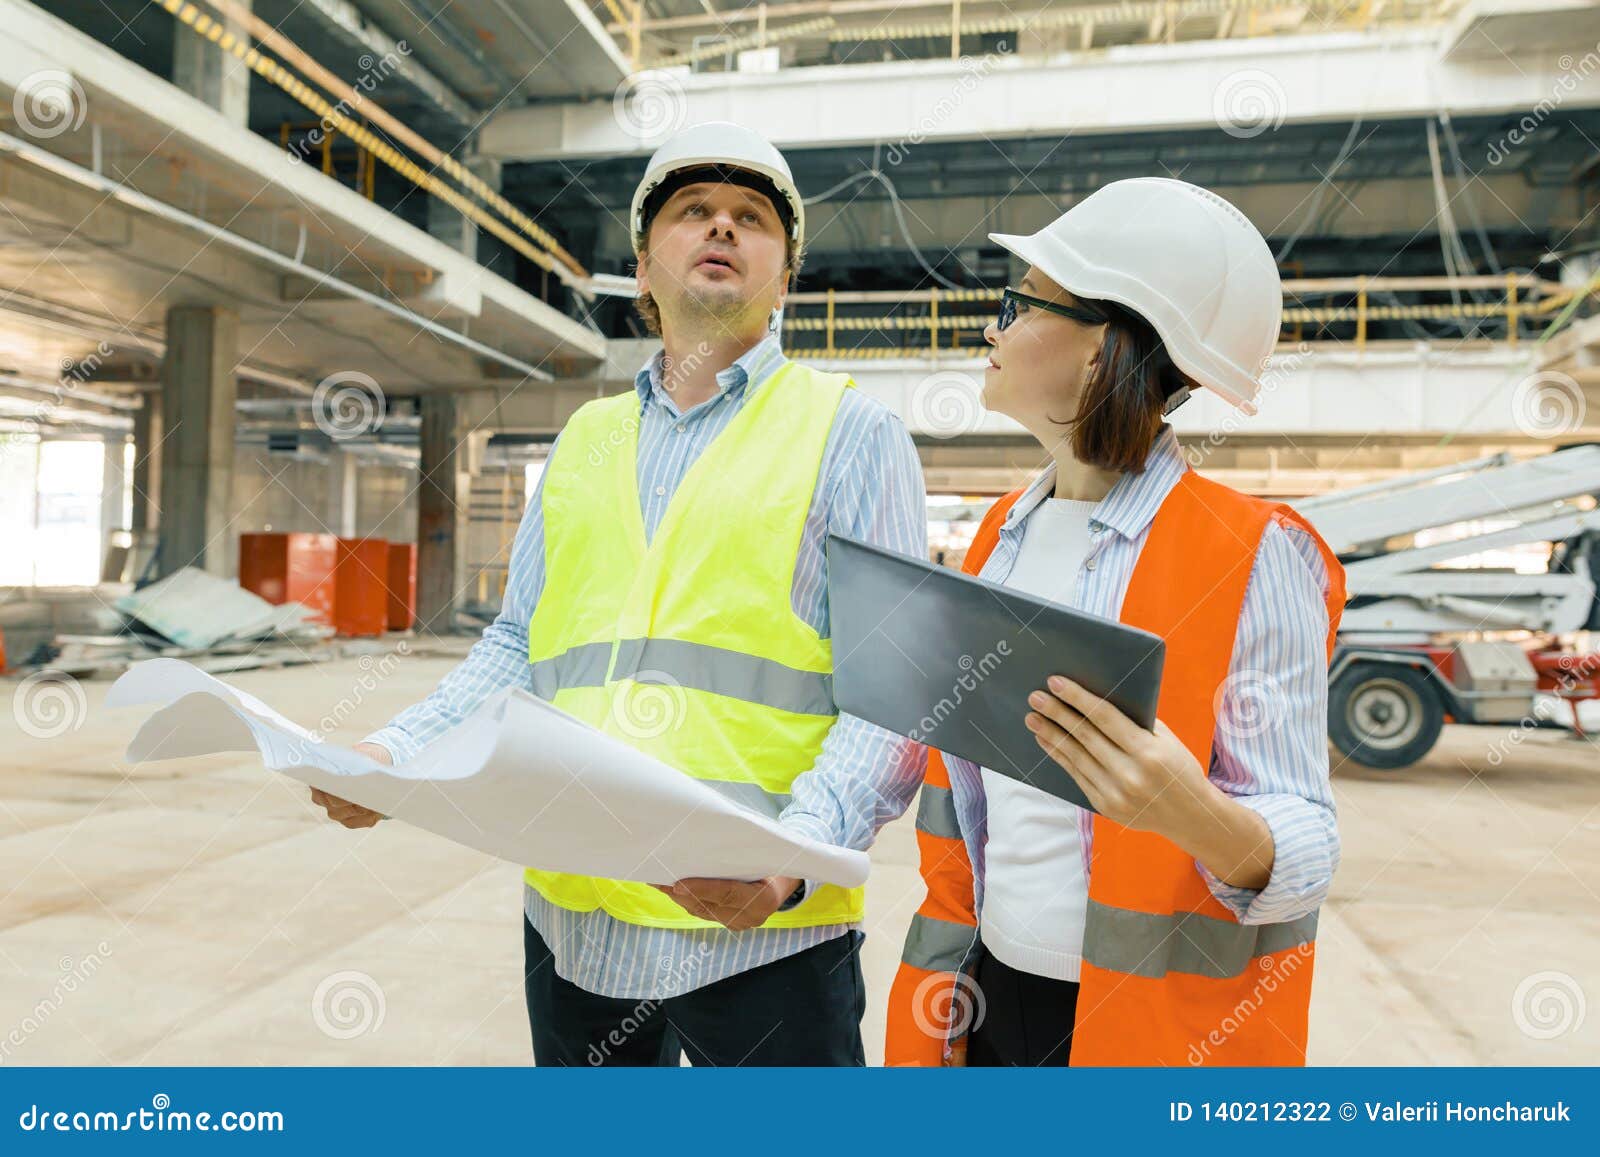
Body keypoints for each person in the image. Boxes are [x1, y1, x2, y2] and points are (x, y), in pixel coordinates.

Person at [312, 121, 927, 1066]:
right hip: (574, 918)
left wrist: (791, 857)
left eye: (751, 218)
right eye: (694, 212)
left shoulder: (851, 431)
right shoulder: (582, 440)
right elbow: (517, 644)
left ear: (785, 276)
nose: (722, 227)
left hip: (760, 931)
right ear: (644, 267)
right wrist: (393, 753)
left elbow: (891, 692)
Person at [884, 178, 1347, 1067]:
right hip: (980, 1000)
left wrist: (1195, 813)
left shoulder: (1254, 553)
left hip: (1148, 1039)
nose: (993, 327)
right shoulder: (997, 538)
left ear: (1102, 347)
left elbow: (1309, 848)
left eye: (1018, 303)